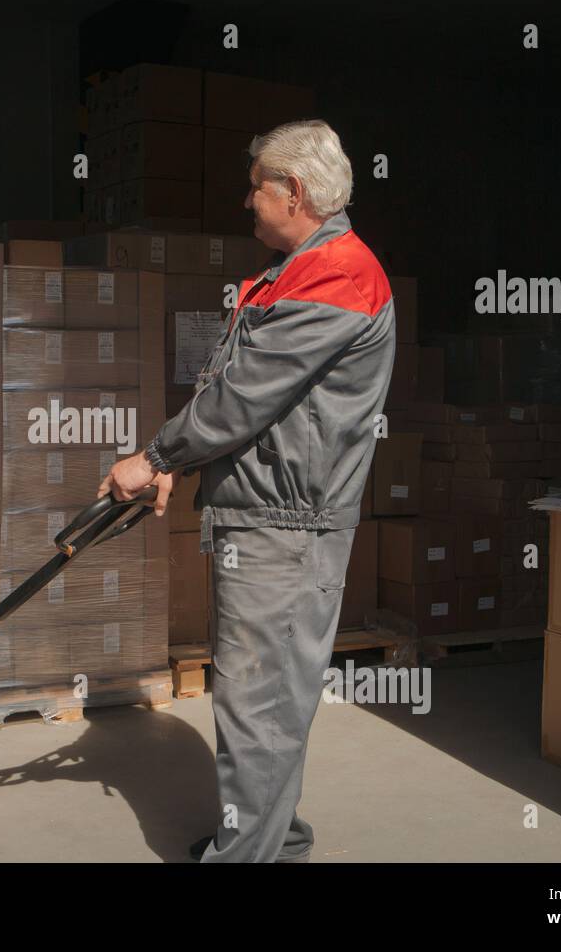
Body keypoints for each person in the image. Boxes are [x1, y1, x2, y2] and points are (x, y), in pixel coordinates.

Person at [98, 119, 396, 863]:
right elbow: (238, 395)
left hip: (285, 527)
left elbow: (243, 400)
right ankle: (271, 841)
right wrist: (177, 464)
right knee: (268, 705)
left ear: (293, 190)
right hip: (268, 516)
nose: (245, 200)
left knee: (258, 708)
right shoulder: (294, 270)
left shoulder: (338, 275)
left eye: (256, 185)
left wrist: (156, 454)